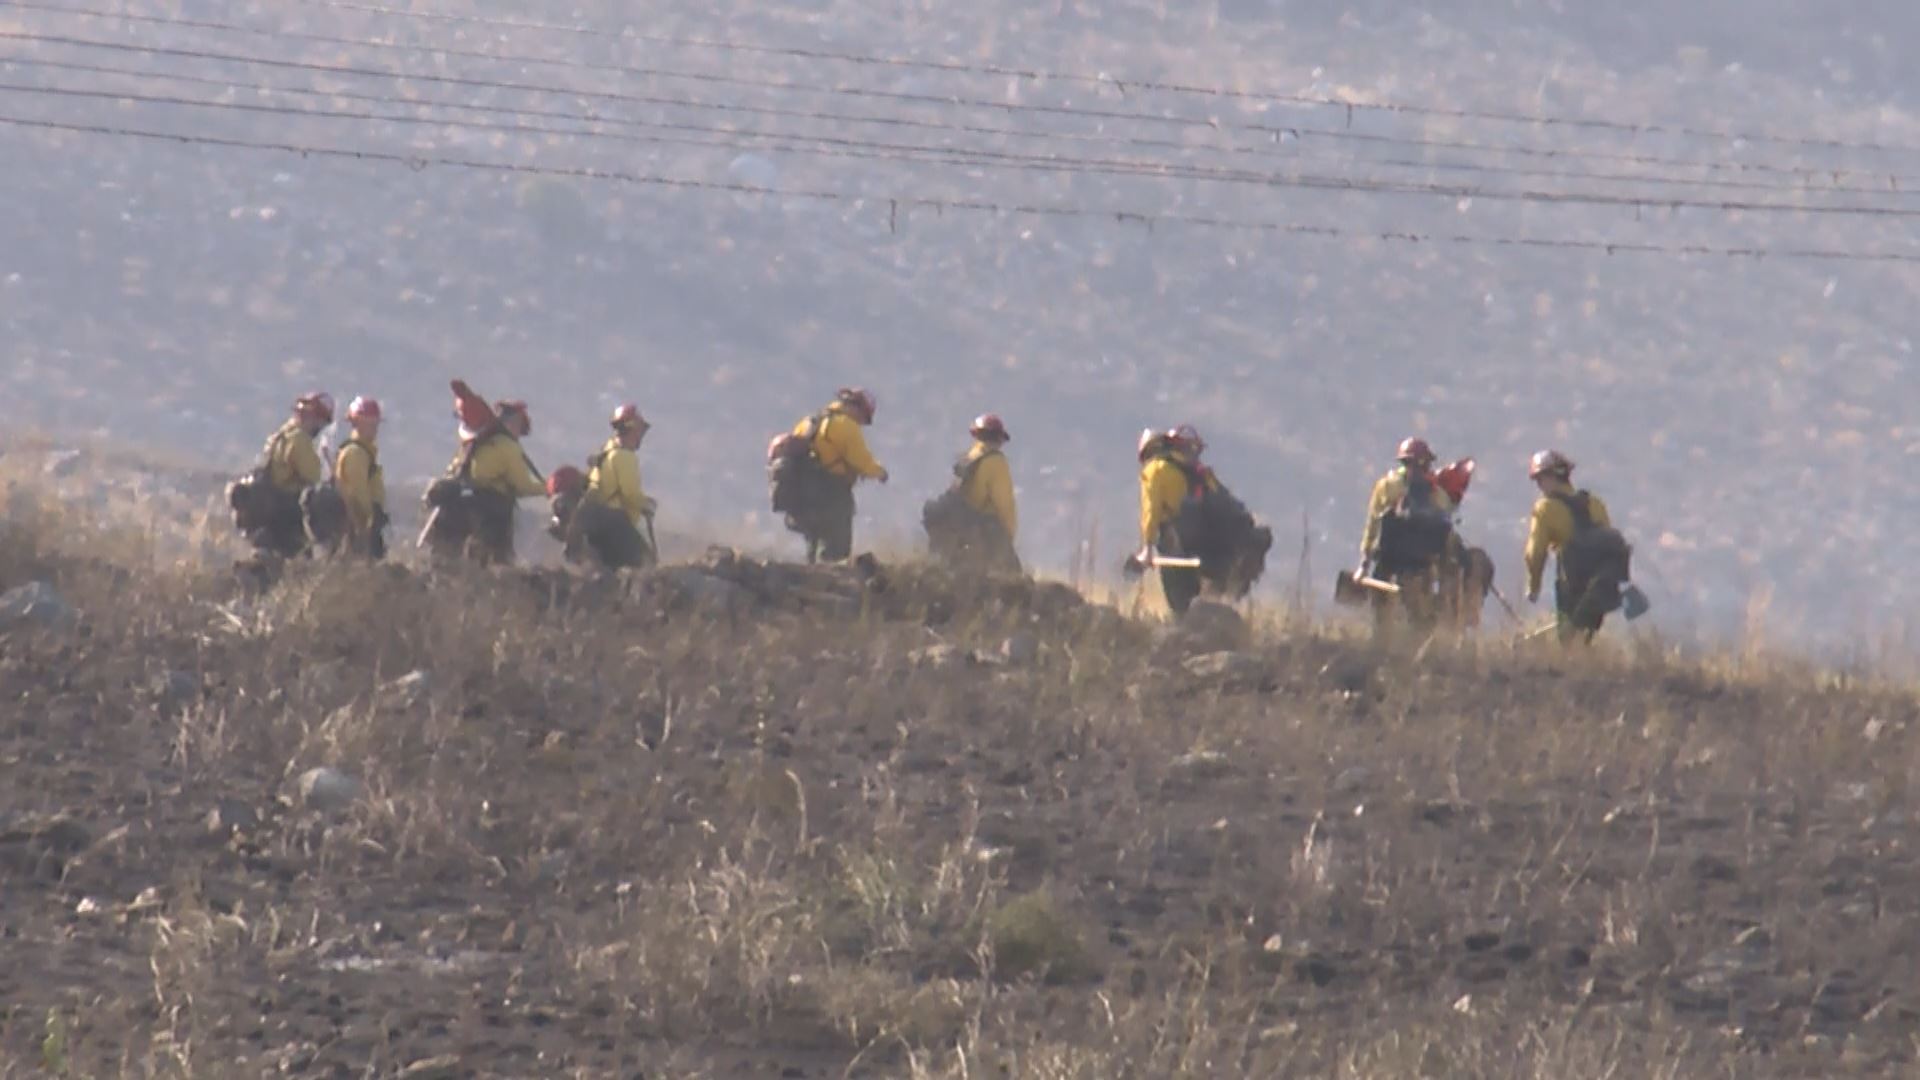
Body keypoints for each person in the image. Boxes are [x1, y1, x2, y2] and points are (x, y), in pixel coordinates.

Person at [1523, 449, 1632, 643]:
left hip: (1571, 579)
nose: (1539, 486)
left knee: (1568, 637)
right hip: (1601, 583)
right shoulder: (1595, 503)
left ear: (1550, 477)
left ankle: (1571, 664)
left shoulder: (1545, 508)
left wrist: (1534, 586)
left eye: (1539, 479)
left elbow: (1535, 553)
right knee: (1585, 632)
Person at [772, 387, 887, 563]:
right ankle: (830, 583)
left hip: (803, 494)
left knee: (814, 541)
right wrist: (880, 472)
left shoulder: (808, 422)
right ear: (856, 408)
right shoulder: (845, 426)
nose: (861, 423)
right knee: (836, 546)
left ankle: (812, 577)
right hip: (831, 493)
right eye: (863, 417)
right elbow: (861, 460)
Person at [424, 399, 545, 565]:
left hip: (454, 507)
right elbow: (522, 486)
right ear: (514, 424)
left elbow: (452, 472)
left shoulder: (469, 445)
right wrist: (548, 488)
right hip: (490, 515)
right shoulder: (508, 447)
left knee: (444, 563)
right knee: (497, 564)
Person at [1164, 424, 1271, 602]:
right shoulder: (1170, 474)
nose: (1192, 453)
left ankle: (1220, 594)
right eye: (1188, 448)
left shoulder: (1202, 475)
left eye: (1195, 449)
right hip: (1202, 544)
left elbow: (1225, 504)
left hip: (1209, 541)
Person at [1359, 437, 1456, 630]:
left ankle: (1411, 644)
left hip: (1416, 565)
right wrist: (1364, 561)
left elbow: (1447, 535)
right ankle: (1384, 642)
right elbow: (1373, 525)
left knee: (1416, 616)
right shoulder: (1391, 488)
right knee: (1384, 612)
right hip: (1391, 560)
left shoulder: (1433, 494)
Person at [233, 391, 332, 558]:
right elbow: (314, 479)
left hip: (267, 508)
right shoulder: (301, 441)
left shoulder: (281, 435)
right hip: (286, 512)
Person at [923, 413, 1019, 574]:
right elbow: (1004, 504)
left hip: (960, 524)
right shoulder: (997, 462)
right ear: (999, 438)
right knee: (1012, 575)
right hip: (984, 528)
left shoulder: (971, 456)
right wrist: (1008, 535)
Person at [1129, 427, 1206, 614]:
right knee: (1196, 595)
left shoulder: (1154, 470)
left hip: (1174, 542)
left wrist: (1147, 548)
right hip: (1202, 541)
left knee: (1179, 601)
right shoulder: (1192, 470)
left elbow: (1151, 510)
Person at [574, 403, 657, 570]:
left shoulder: (606, 451)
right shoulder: (625, 457)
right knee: (646, 563)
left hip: (597, 526)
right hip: (615, 525)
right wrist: (647, 505)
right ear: (633, 430)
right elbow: (630, 494)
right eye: (639, 430)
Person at [334, 396, 388, 560]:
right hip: (357, 525)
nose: (374, 428)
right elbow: (358, 492)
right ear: (356, 423)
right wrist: (368, 520)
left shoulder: (364, 452)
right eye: (369, 423)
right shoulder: (356, 453)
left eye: (375, 423)